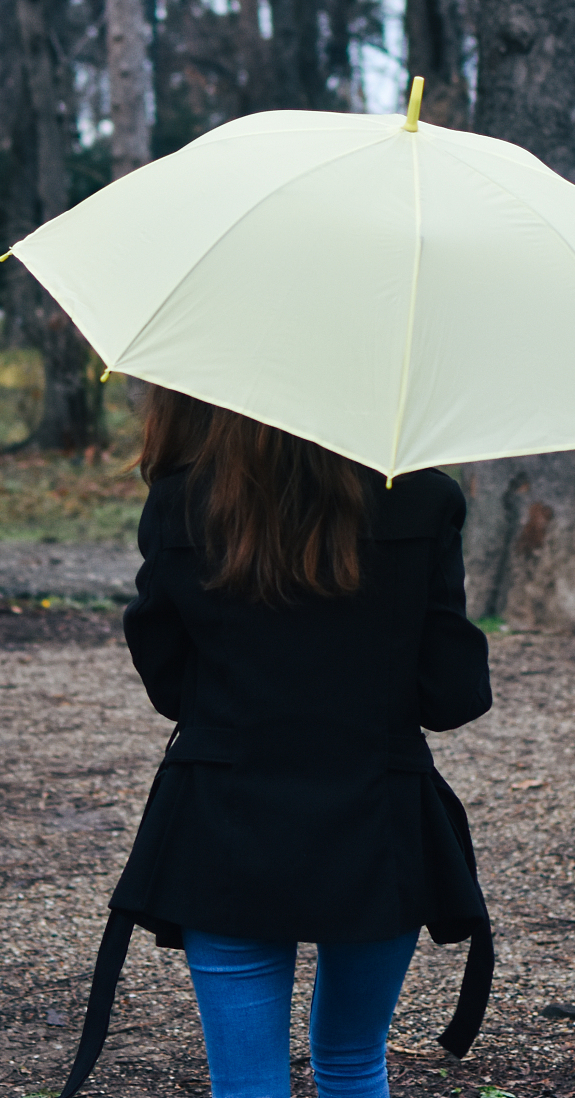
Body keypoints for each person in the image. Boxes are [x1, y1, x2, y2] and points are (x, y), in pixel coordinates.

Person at [58, 385, 495, 1098]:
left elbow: (170, 686)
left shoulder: (179, 503)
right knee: (354, 1062)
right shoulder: (422, 500)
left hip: (225, 823)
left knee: (247, 1085)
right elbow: (454, 696)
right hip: (378, 825)